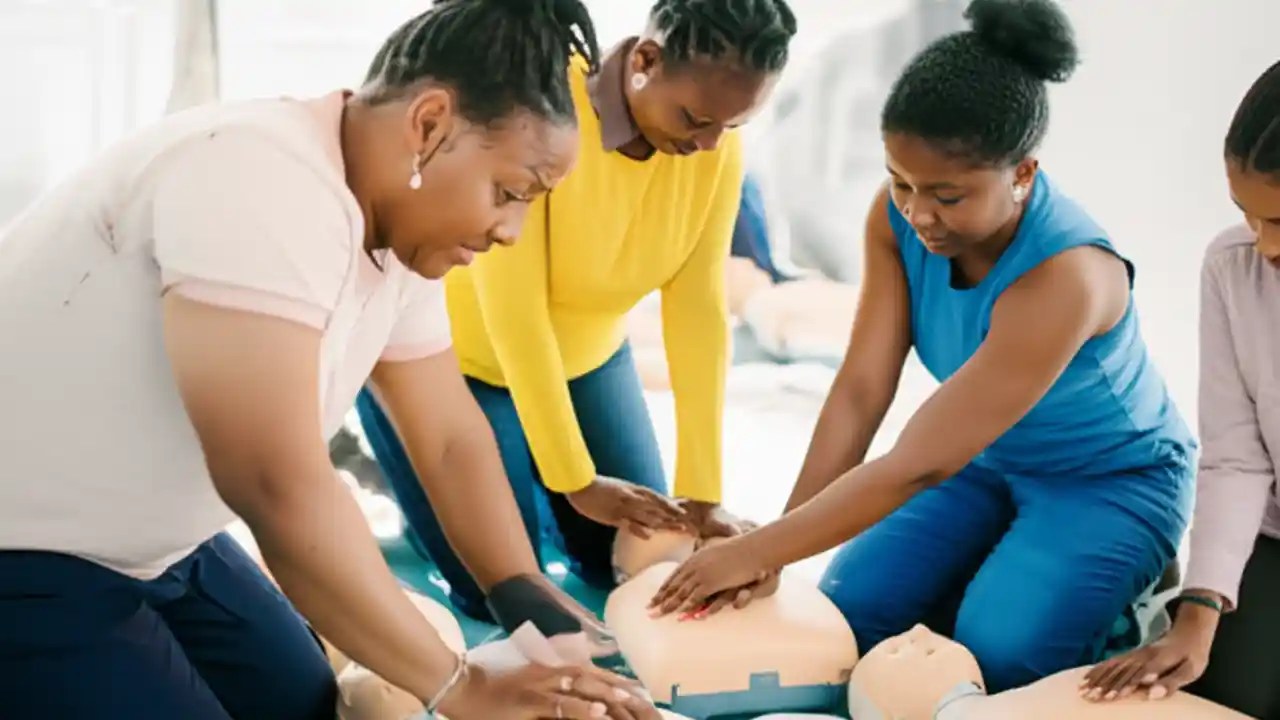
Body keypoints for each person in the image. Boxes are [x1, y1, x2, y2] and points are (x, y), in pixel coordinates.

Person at [0, 1, 661, 719]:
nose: (511, 229)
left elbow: (446, 437)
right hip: (29, 550)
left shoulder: (400, 231)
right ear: (430, 123)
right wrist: (458, 685)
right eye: (509, 193)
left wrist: (518, 586)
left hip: (163, 548)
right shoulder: (259, 176)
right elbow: (275, 485)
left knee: (306, 706)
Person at [648, 0, 1196, 695]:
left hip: (1108, 480)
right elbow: (860, 389)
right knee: (852, 613)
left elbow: (918, 465)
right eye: (901, 182)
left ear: (1023, 174)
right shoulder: (896, 216)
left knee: (1000, 652)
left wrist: (760, 548)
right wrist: (775, 550)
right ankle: (991, 566)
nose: (919, 213)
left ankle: (1120, 606)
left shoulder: (1067, 277)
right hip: (986, 457)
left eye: (947, 195)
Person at [356, 0, 798, 621]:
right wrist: (574, 479)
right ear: (644, 60)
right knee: (500, 591)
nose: (708, 144)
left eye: (730, 125)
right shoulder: (544, 106)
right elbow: (516, 313)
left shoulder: (713, 143)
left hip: (590, 359)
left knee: (636, 555)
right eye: (696, 119)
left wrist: (702, 494)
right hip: (457, 364)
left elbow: (698, 307)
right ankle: (381, 445)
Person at [1081, 60, 1280, 718]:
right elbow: (1237, 454)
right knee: (1214, 695)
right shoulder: (1233, 267)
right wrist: (1199, 607)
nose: (1264, 243)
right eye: (1248, 215)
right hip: (1271, 540)